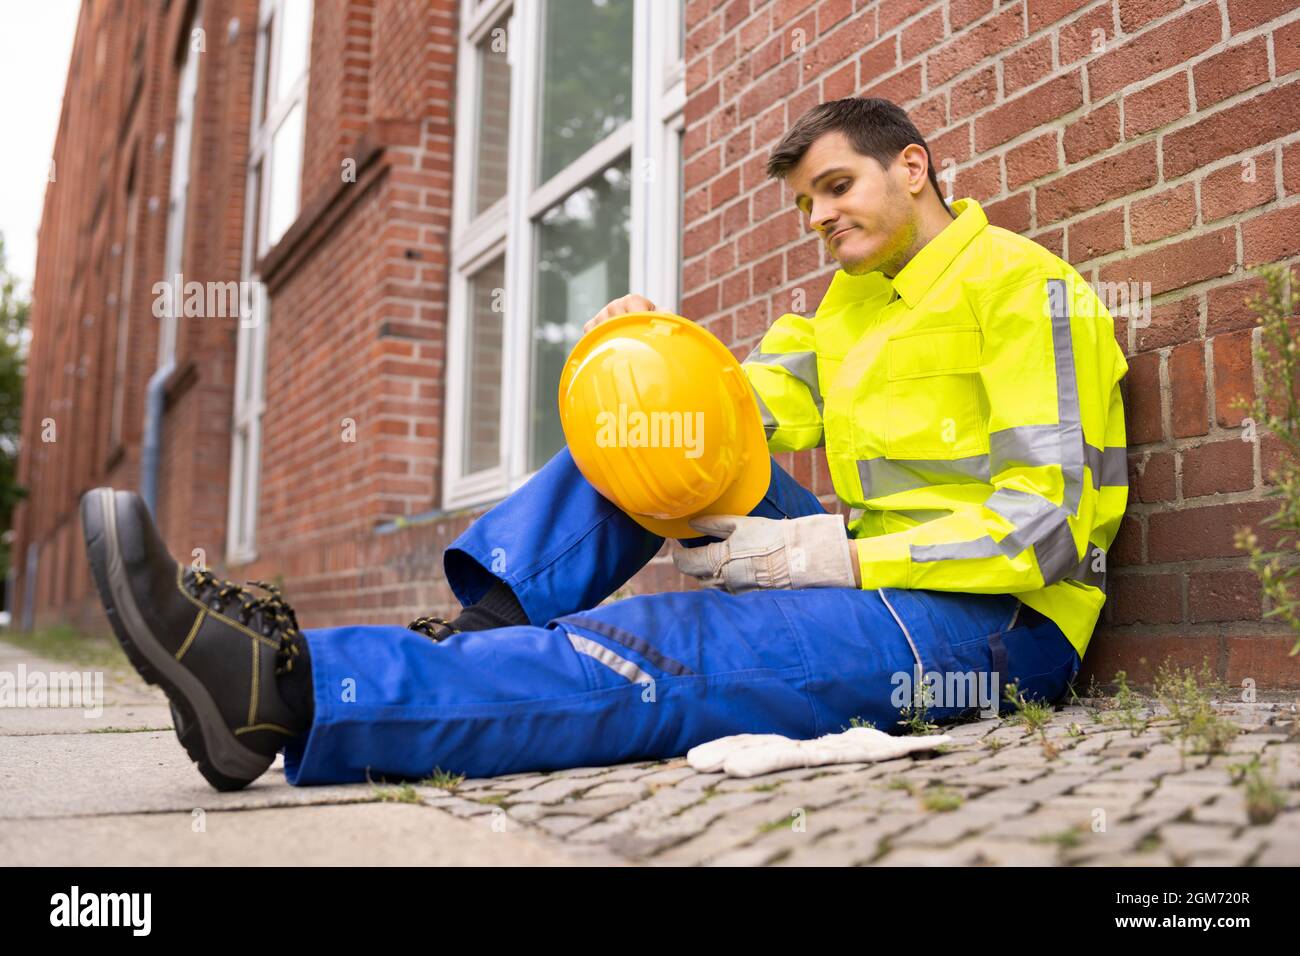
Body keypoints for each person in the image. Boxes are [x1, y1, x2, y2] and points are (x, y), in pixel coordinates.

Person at [80, 97, 1128, 792]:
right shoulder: (842, 311)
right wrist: (651, 358)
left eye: (837, 186)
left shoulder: (1024, 290)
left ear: (913, 165)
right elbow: (732, 415)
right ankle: (476, 634)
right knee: (647, 426)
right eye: (804, 202)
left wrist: (831, 557)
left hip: (995, 630)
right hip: (878, 583)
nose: (818, 217)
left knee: (687, 651)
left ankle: (286, 687)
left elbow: (1045, 531)